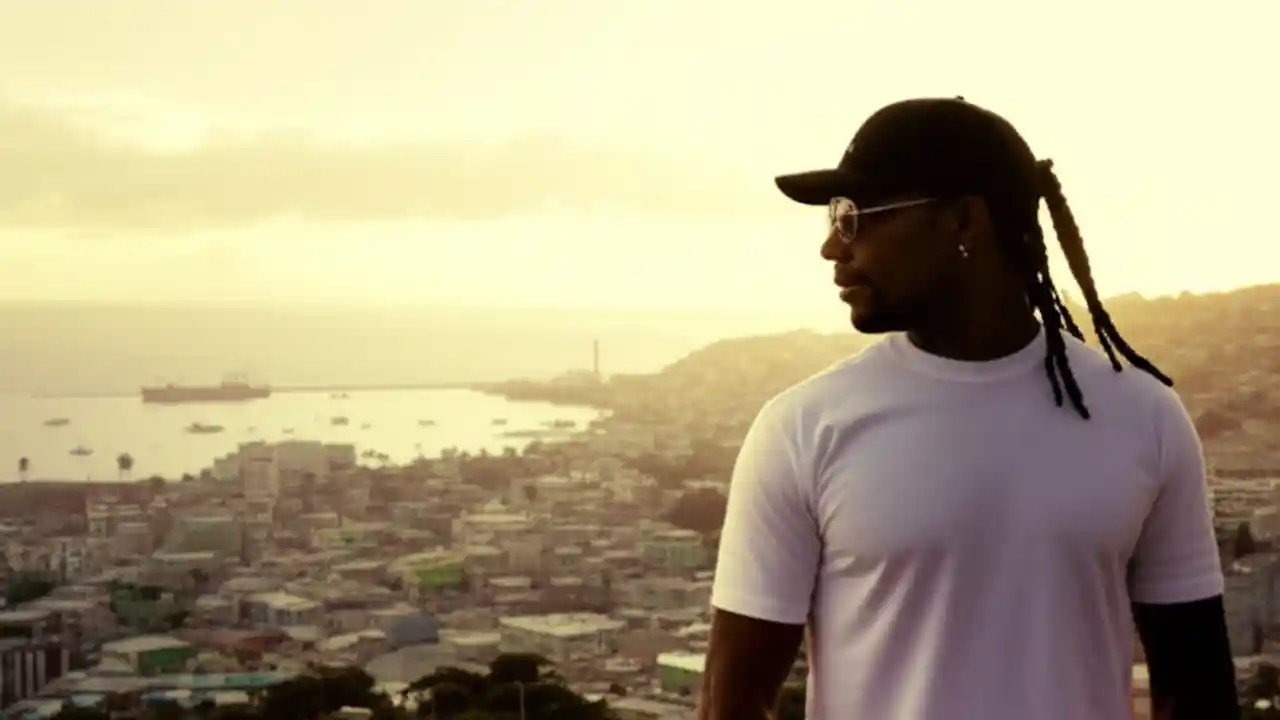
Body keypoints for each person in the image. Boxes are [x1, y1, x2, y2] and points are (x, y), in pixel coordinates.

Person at [700, 97, 1238, 720]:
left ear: (964, 222)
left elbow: (1197, 689)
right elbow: (730, 702)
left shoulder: (1144, 418)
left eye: (853, 216)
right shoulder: (803, 427)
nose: (831, 246)